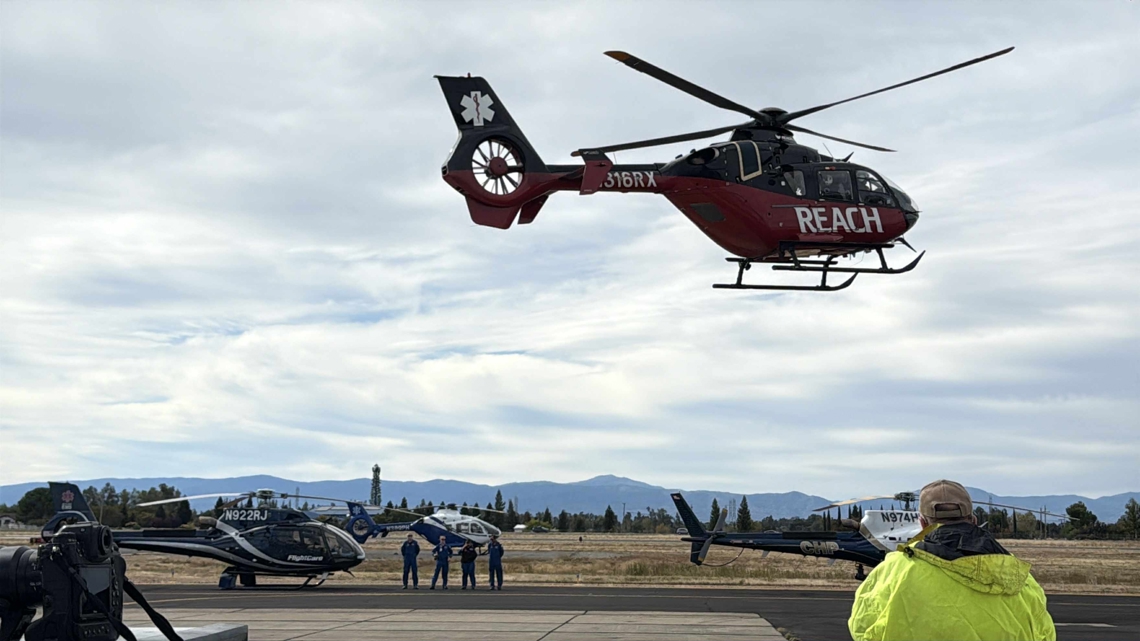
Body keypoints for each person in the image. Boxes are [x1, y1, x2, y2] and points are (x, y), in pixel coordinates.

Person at [849, 479, 1056, 641]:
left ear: (922, 523)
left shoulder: (893, 570)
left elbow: (863, 628)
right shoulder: (1018, 574)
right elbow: (1044, 634)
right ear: (973, 520)